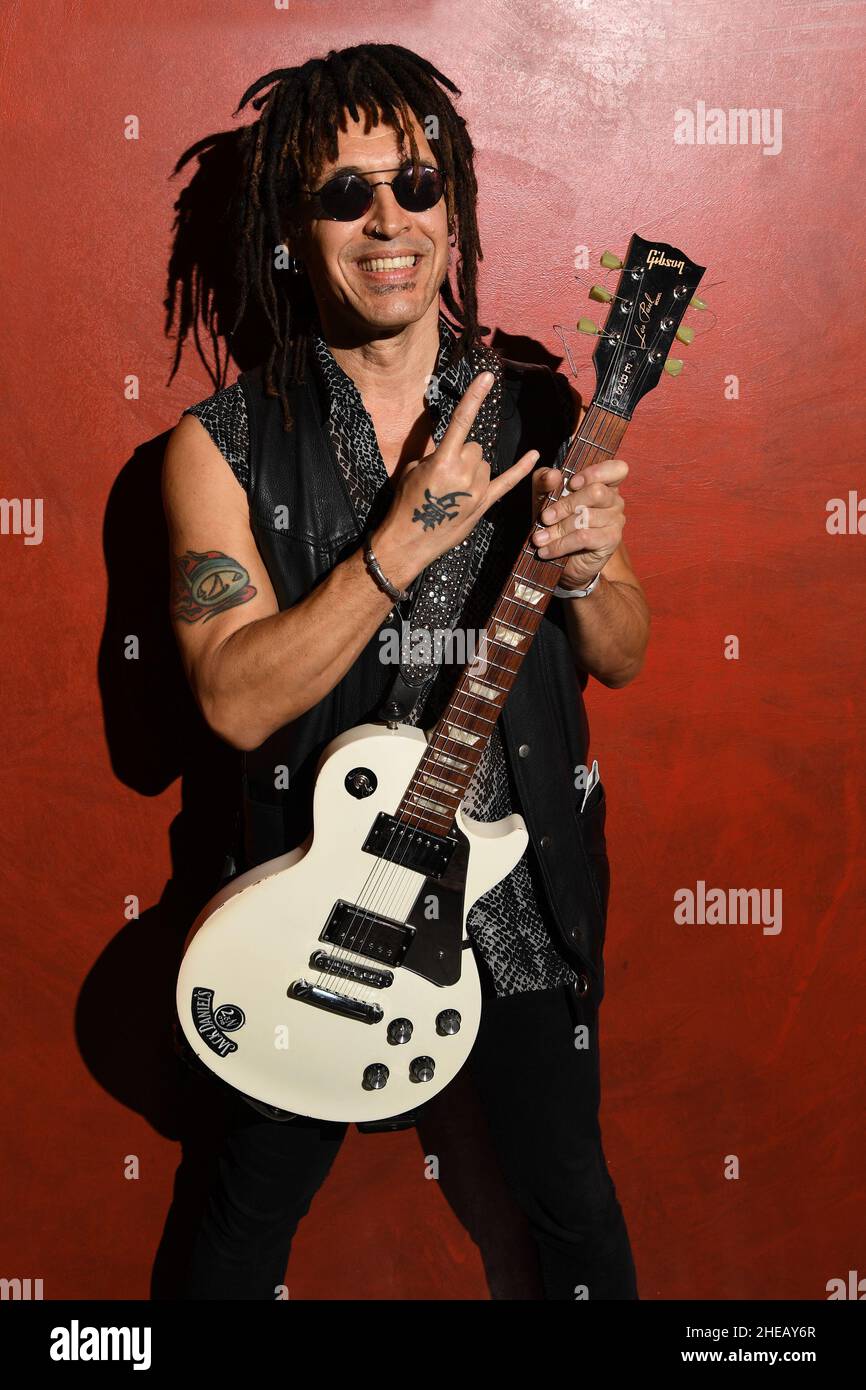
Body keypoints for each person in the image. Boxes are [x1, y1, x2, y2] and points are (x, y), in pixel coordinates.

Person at [162, 42, 649, 1300]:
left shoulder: (542, 405)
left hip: (515, 882)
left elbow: (627, 651)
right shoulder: (218, 448)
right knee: (238, 1228)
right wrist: (393, 551)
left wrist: (592, 571)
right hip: (318, 900)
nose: (389, 221)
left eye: (417, 185)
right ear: (293, 224)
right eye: (344, 194)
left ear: (454, 208)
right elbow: (230, 698)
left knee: (573, 1211)